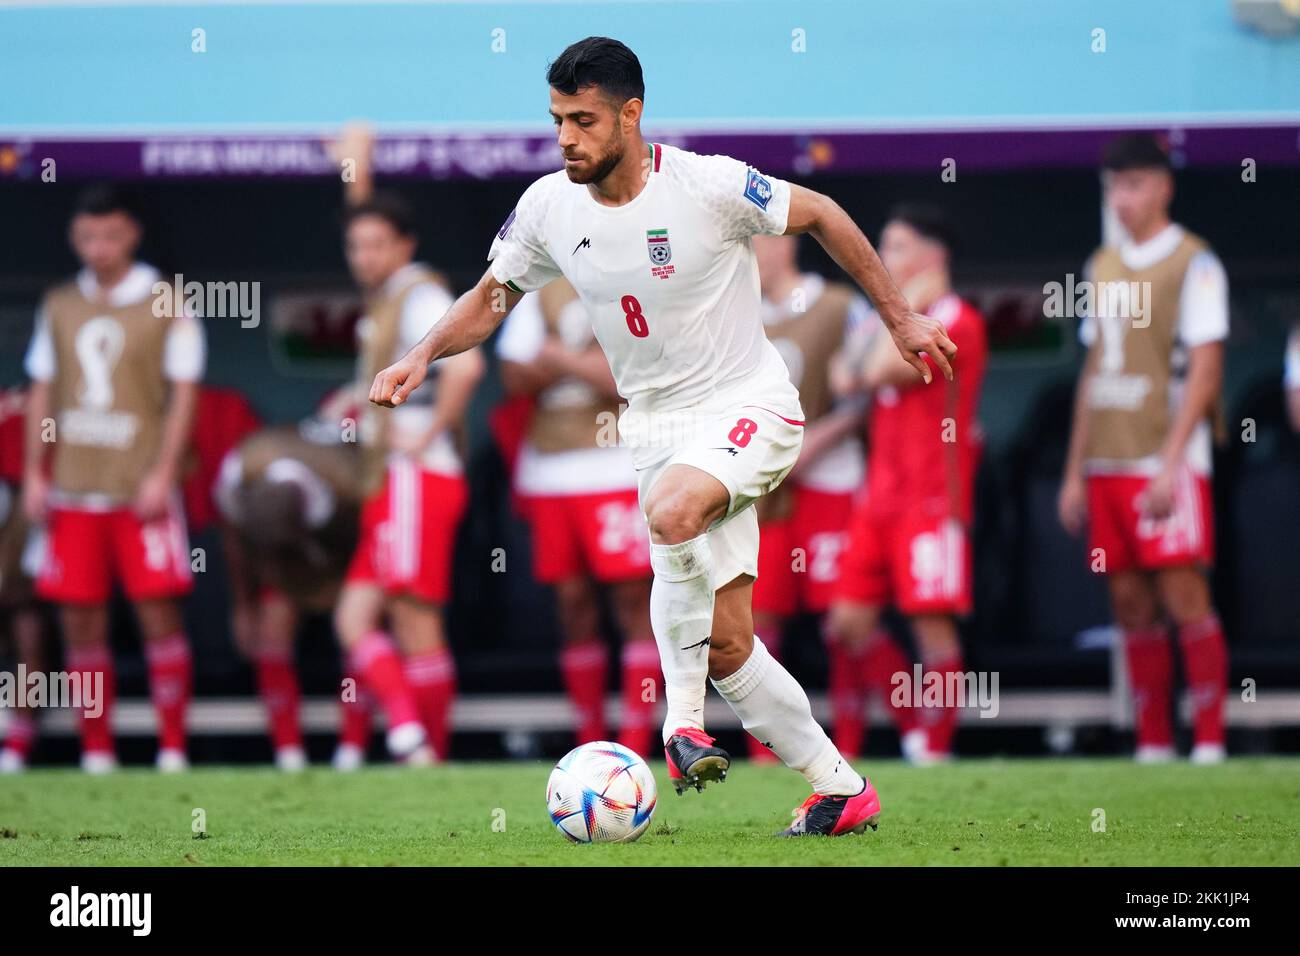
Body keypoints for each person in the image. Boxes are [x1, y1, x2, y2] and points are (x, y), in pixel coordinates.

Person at [369, 38, 956, 836]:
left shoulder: (708, 185)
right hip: (656, 428)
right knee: (728, 644)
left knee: (674, 513)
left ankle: (680, 724)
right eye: (556, 121)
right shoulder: (548, 205)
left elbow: (819, 213)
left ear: (630, 115)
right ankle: (840, 786)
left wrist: (898, 314)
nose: (566, 137)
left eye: (582, 120)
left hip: (750, 405)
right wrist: (420, 353)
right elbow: (491, 295)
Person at [1058, 133, 1230, 764]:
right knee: (1128, 600)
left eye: (1133, 185)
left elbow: (1207, 369)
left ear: (1163, 186)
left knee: (1185, 594)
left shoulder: (1195, 261)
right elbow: (1094, 367)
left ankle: (1210, 739)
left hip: (1164, 459)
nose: (1122, 200)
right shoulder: (1101, 264)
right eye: (1113, 188)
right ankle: (1154, 741)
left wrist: (1174, 461)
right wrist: (1074, 470)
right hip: (1107, 459)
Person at [21, 185, 204, 773]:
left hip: (138, 487)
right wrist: (33, 472)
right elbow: (41, 392)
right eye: (86, 237)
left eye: (109, 235)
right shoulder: (58, 304)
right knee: (79, 620)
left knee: (156, 611)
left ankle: (172, 746)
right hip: (74, 488)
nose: (98, 248)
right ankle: (97, 751)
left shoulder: (168, 300)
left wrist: (163, 474)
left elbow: (183, 396)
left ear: (132, 234)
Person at [331, 127, 486, 763]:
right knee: (353, 618)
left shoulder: (420, 289)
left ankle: (426, 751)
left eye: (376, 245)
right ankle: (408, 733)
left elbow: (468, 369)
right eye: (355, 245)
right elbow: (368, 222)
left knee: (415, 619)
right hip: (389, 480)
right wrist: (354, 174)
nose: (363, 256)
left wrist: (427, 431)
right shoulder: (389, 295)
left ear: (404, 246)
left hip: (417, 476)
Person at [825, 205, 987, 764]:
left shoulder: (957, 318)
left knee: (931, 624)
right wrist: (891, 316)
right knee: (847, 622)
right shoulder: (891, 318)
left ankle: (935, 750)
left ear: (932, 255)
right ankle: (915, 723)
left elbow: (875, 373)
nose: (883, 258)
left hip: (932, 497)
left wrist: (896, 315)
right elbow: (841, 375)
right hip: (879, 496)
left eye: (895, 247)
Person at [497, 279, 661, 756]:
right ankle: (589, 745)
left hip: (617, 464)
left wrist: (557, 357)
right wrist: (587, 359)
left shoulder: (630, 273)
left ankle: (635, 741)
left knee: (634, 599)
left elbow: (632, 378)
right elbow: (512, 378)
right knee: (572, 603)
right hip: (549, 471)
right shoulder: (538, 285)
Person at [748, 235, 870, 762]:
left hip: (829, 485)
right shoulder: (733, 312)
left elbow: (867, 394)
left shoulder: (839, 305)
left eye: (753, 242)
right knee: (757, 622)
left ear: (783, 244)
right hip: (760, 492)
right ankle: (767, 755)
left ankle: (851, 748)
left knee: (841, 622)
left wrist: (811, 446)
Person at [215, 423, 367, 771]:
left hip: (344, 546)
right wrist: (243, 605)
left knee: (357, 627)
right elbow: (234, 540)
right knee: (272, 628)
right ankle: (288, 754)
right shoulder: (241, 472)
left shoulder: (349, 485)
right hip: (282, 549)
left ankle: (352, 752)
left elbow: (366, 542)